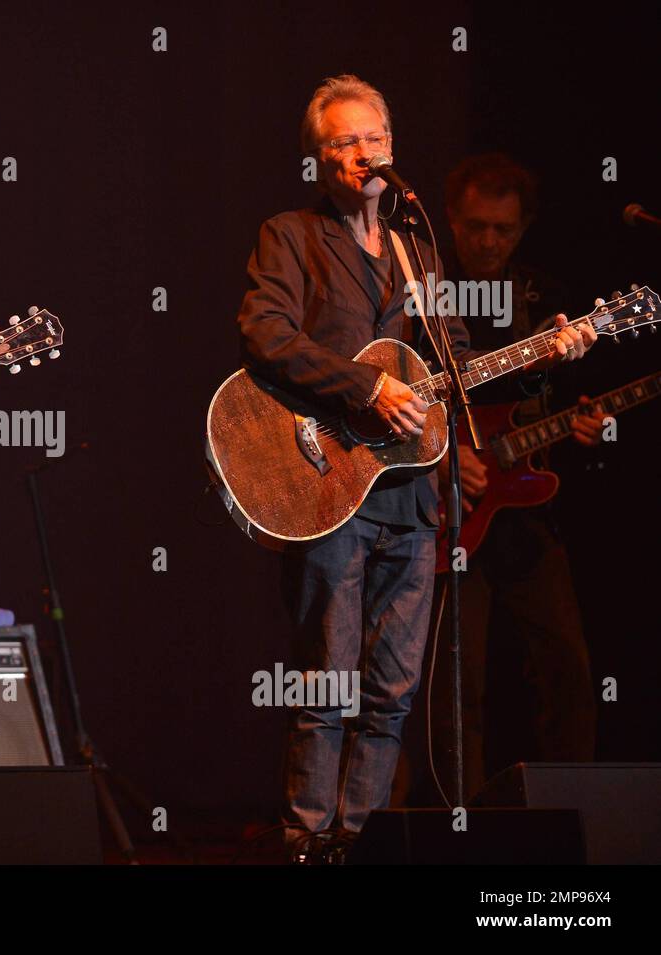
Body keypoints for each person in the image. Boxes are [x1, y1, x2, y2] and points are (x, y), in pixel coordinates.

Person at [233, 75, 595, 860]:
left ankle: (356, 837)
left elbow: (460, 364)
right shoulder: (291, 235)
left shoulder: (418, 247)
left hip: (411, 495)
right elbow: (264, 333)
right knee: (326, 675)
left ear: (392, 147)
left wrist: (545, 357)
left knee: (393, 686)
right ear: (318, 159)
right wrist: (365, 383)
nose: (362, 154)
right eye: (343, 142)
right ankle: (304, 834)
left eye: (373, 139)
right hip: (327, 482)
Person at [429, 153, 599, 800]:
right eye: (475, 226)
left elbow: (565, 399)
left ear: (523, 228)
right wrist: (443, 453)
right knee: (455, 691)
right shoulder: (425, 291)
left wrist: (585, 423)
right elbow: (396, 393)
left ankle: (574, 819)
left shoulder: (542, 298)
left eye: (502, 229)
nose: (488, 241)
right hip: (449, 507)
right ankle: (455, 829)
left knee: (570, 670)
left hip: (525, 513)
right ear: (450, 219)